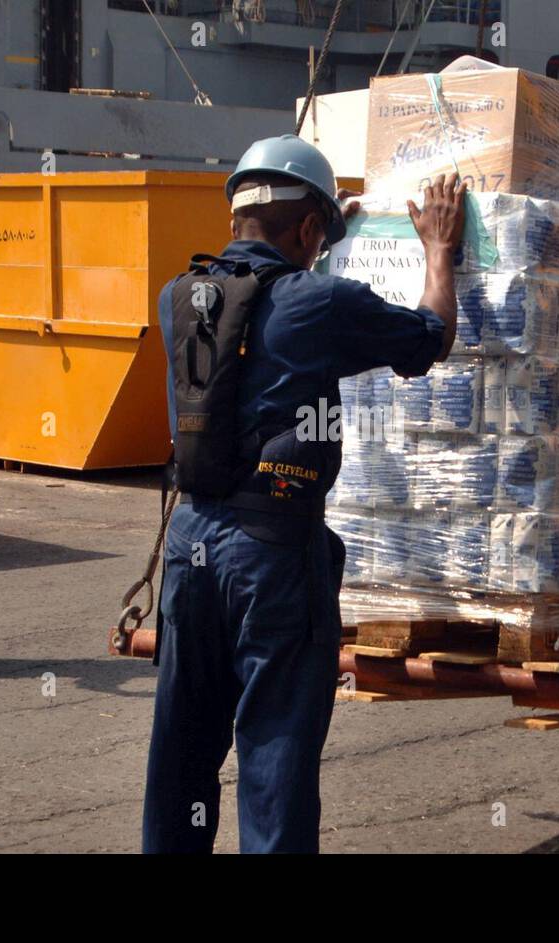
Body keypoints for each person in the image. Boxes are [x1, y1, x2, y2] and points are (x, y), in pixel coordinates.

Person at [142, 134, 465, 853]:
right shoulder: (319, 303)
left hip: (191, 549)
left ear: (235, 217)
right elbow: (431, 336)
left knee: (181, 753)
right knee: (275, 754)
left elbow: (257, 318)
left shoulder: (178, 297)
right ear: (312, 230)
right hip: (274, 557)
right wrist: (440, 249)